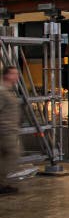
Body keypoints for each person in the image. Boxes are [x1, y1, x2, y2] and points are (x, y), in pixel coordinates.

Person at [0, 67, 21, 195]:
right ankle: (1, 183)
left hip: (9, 129)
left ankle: (2, 183)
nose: (17, 76)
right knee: (12, 154)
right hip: (5, 130)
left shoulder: (9, 91)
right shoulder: (2, 92)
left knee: (5, 157)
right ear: (7, 75)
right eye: (14, 74)